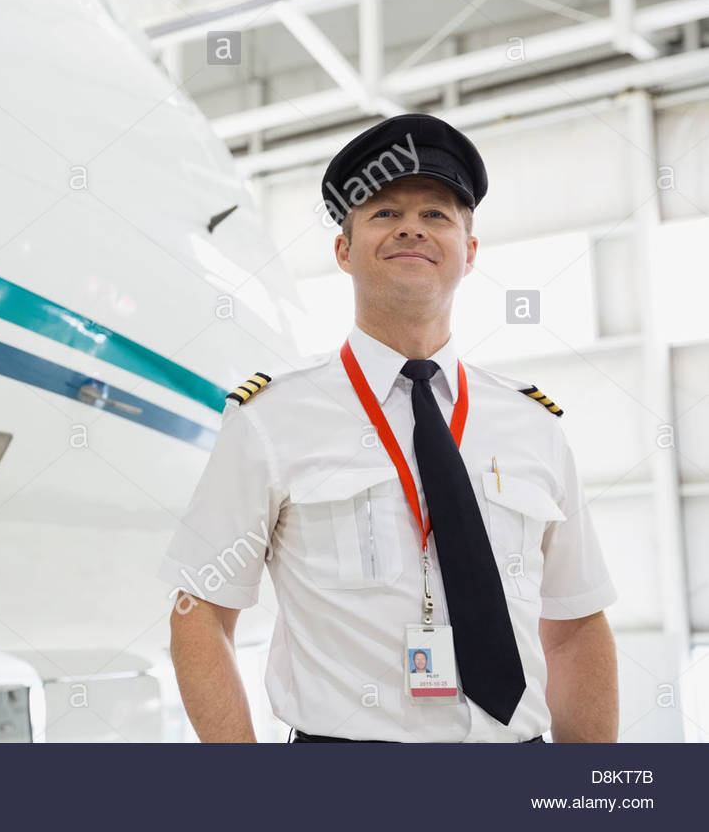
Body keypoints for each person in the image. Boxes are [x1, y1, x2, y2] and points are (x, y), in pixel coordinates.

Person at [158, 113, 618, 743]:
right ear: (343, 250)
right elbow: (199, 616)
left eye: (436, 214)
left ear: (469, 250)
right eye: (383, 213)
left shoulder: (533, 425)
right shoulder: (271, 420)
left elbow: (575, 627)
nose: (411, 226)